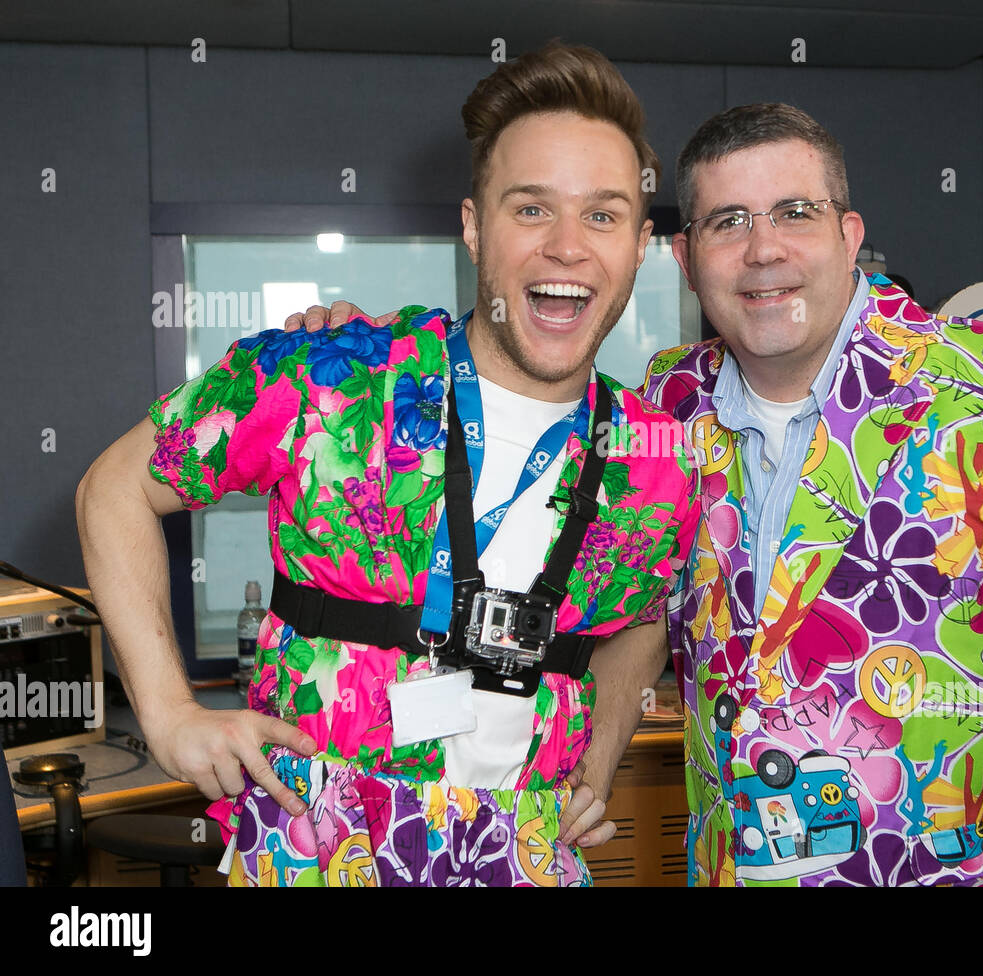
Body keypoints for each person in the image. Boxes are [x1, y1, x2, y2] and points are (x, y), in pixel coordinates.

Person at [294, 100, 983, 886]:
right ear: (684, 255)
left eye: (793, 212)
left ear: (850, 236)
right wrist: (360, 352)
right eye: (727, 222)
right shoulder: (661, 415)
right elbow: (502, 397)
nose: (762, 251)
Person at [74, 41, 699, 887]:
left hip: (527, 850)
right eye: (530, 209)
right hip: (322, 839)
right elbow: (113, 488)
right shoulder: (332, 375)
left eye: (603, 214)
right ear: (475, 229)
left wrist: (599, 760)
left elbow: (640, 616)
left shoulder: (652, 453)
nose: (567, 246)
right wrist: (169, 711)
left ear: (639, 244)